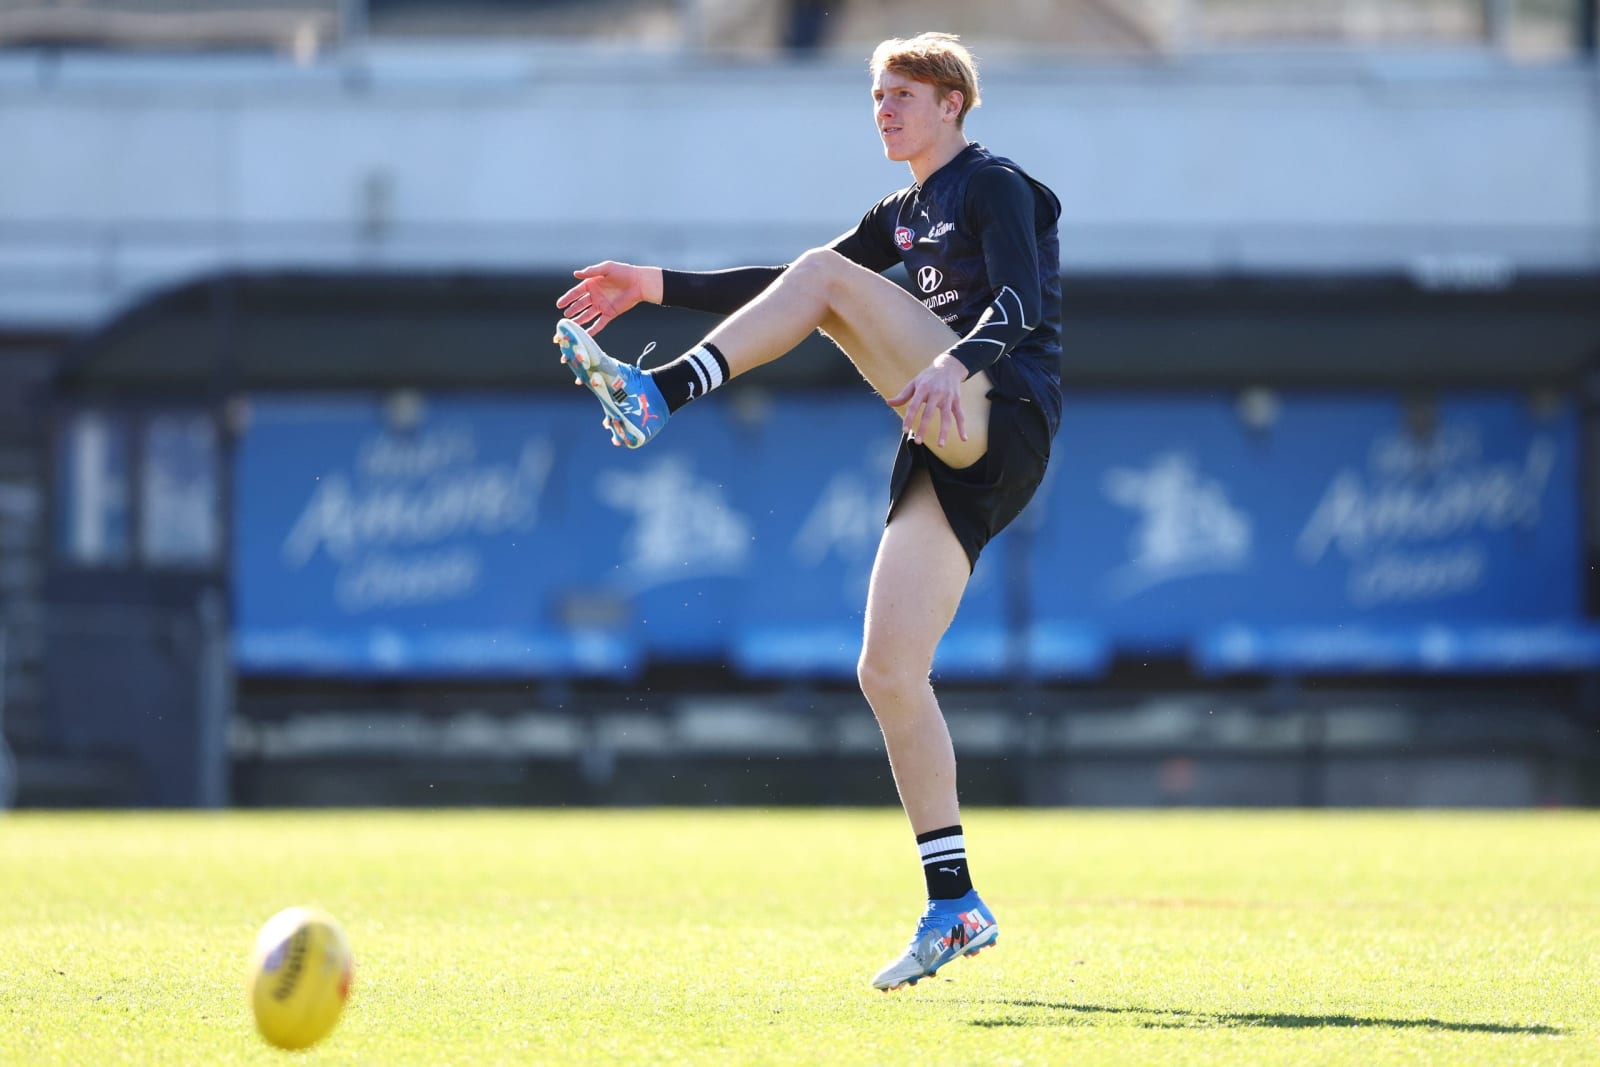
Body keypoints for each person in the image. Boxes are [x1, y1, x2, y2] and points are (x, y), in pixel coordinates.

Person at [552, 31, 1062, 992]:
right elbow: (793, 289)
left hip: (1000, 407)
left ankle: (658, 396)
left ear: (954, 103)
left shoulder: (991, 183)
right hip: (948, 433)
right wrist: (651, 284)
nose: (886, 109)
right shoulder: (898, 213)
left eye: (905, 93)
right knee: (887, 669)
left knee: (828, 282)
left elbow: (1024, 307)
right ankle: (956, 903)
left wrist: (954, 364)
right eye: (877, 95)